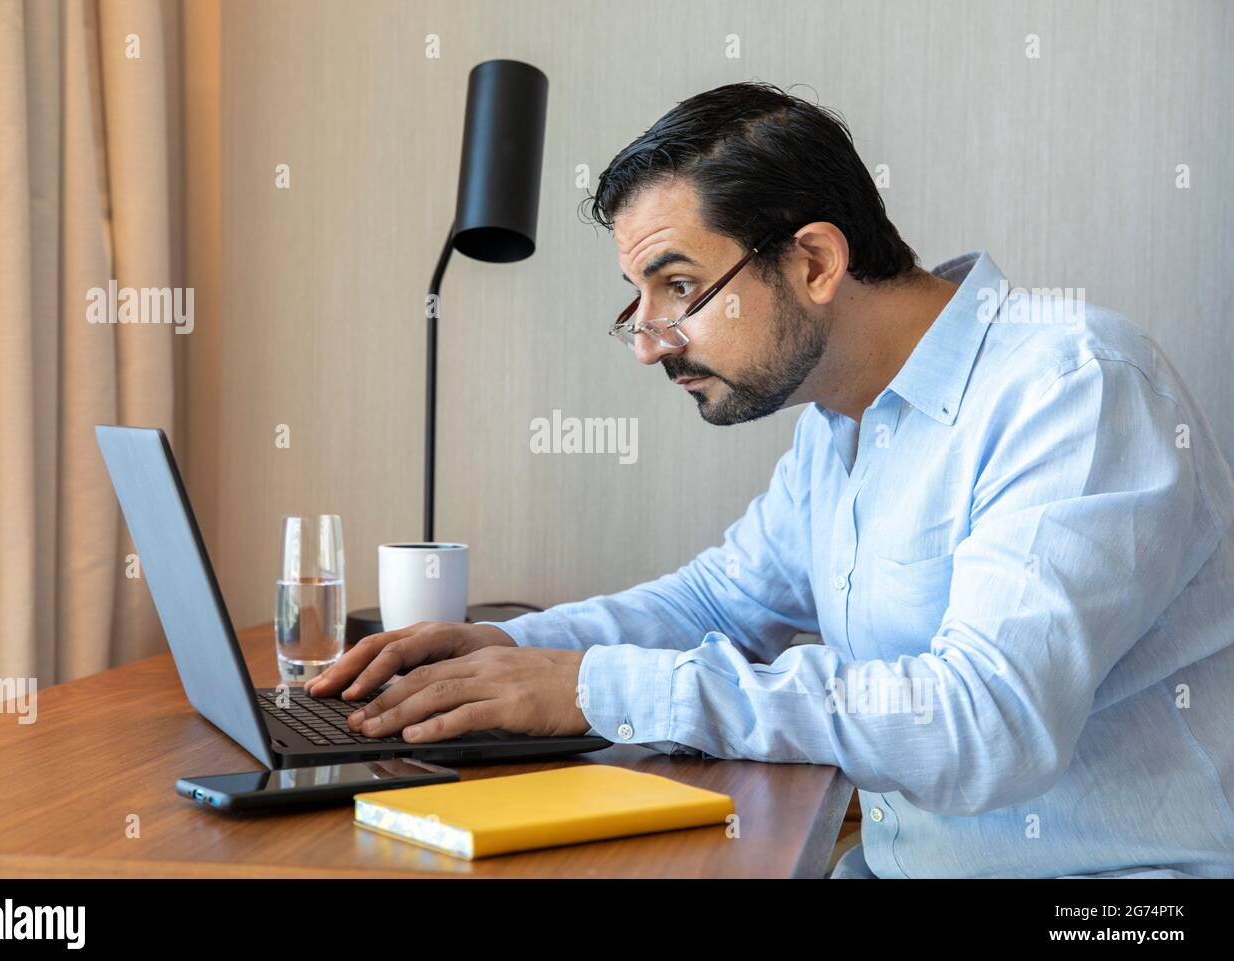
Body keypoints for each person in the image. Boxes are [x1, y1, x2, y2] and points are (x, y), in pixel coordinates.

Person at [308, 82, 1234, 878]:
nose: (648, 342)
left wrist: (597, 686)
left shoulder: (1072, 389)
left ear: (816, 261)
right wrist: (495, 653)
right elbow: (722, 598)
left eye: (678, 286)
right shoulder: (842, 421)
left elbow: (983, 723)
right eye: (638, 298)